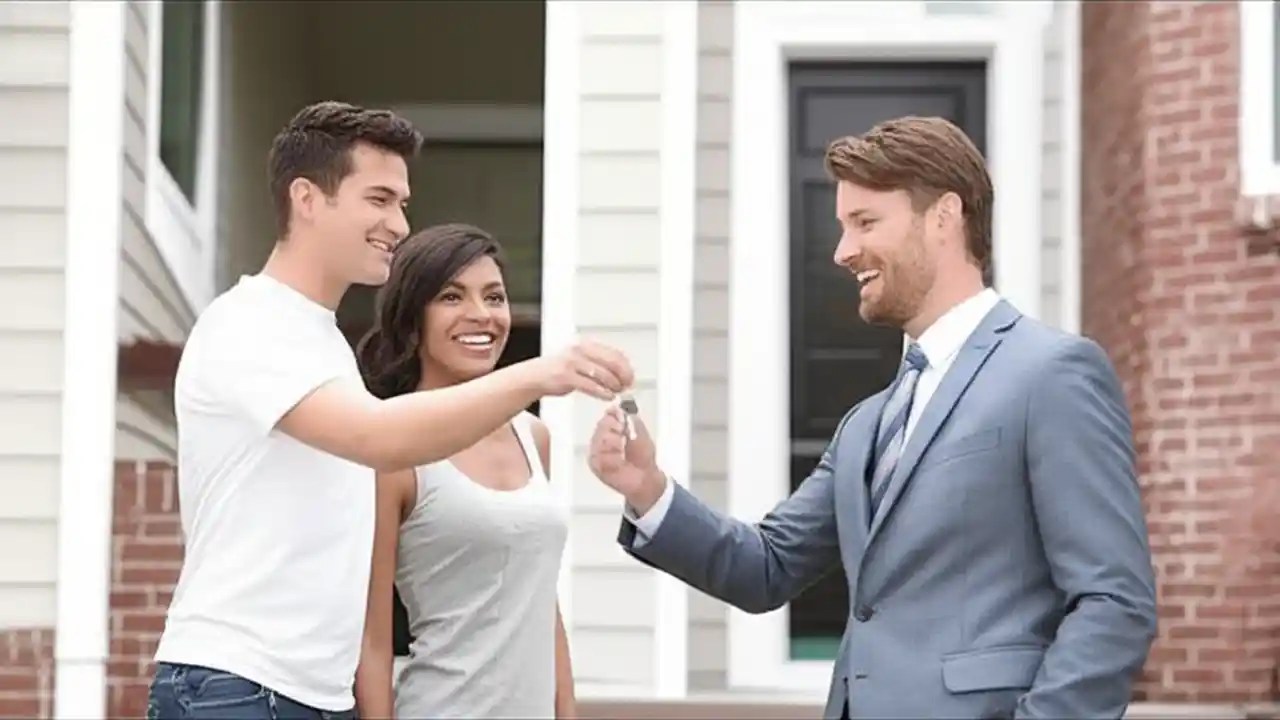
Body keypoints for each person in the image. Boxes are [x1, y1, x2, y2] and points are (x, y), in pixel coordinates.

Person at [588, 116, 1157, 719]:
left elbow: (1114, 600)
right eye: (842, 226)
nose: (842, 251)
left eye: (865, 222)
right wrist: (645, 488)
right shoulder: (867, 424)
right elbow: (765, 567)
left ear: (943, 216)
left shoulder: (1052, 372)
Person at [146, 102, 632, 719]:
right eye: (378, 199)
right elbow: (379, 436)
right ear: (307, 198)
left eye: (402, 203)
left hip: (310, 694)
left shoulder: (322, 345)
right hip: (236, 686)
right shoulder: (250, 325)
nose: (399, 224)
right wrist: (540, 373)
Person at [351, 223, 575, 719]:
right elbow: (371, 635)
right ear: (414, 318)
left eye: (494, 297)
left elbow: (543, 604)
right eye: (452, 297)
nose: (481, 315)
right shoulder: (394, 445)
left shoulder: (534, 437)